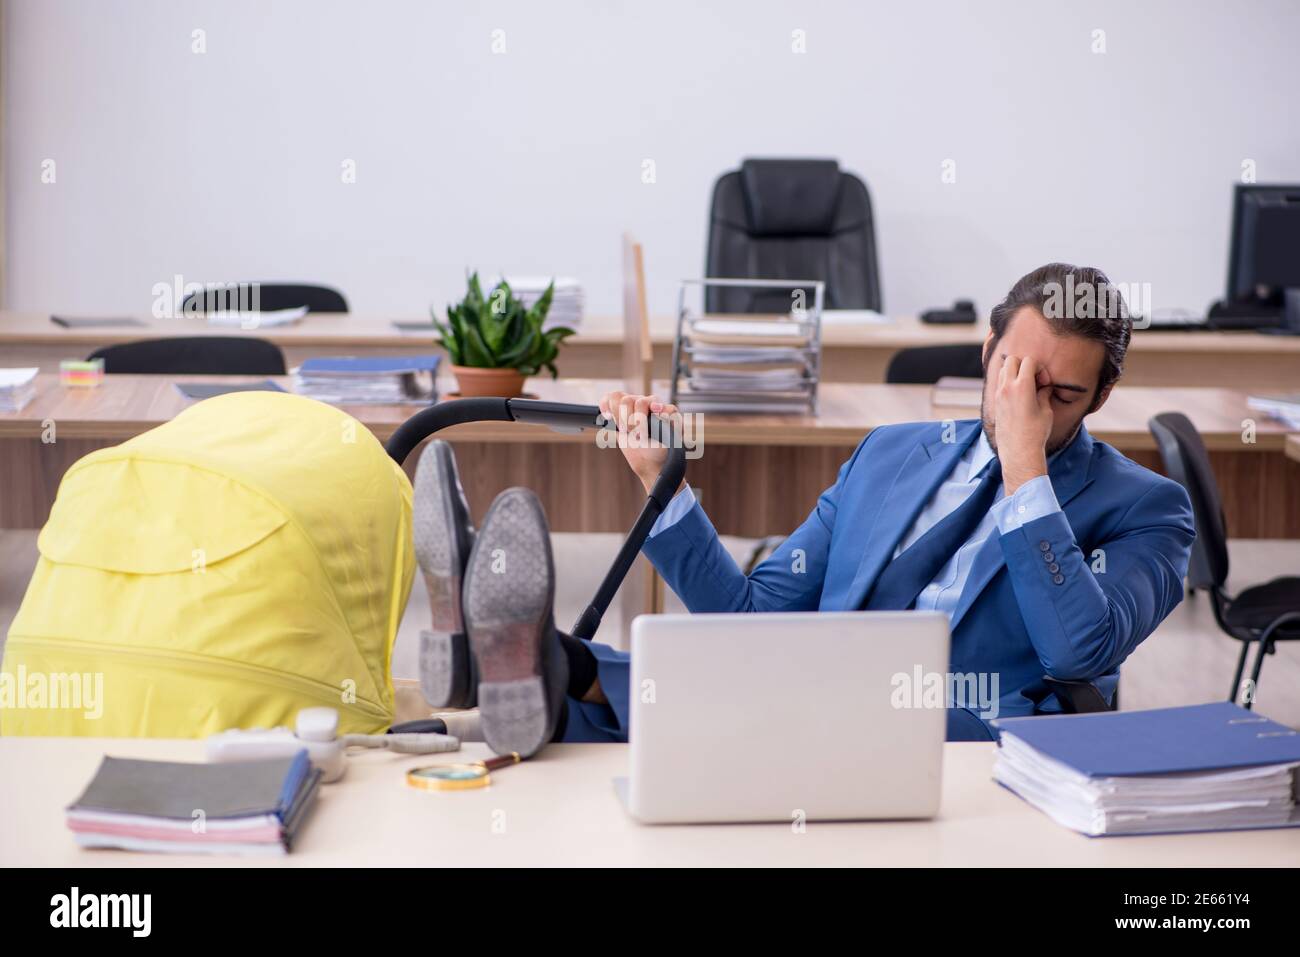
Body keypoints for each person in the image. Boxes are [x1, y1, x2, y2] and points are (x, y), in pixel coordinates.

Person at [415, 263, 1195, 757]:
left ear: (1102, 396)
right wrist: (665, 485)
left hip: (961, 728)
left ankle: (542, 665)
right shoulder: (890, 452)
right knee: (607, 736)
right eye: (1016, 373)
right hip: (814, 698)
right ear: (988, 351)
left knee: (660, 708)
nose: (1025, 401)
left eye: (1058, 395)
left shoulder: (1151, 510)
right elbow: (752, 614)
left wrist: (1027, 471)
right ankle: (534, 679)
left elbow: (1078, 653)